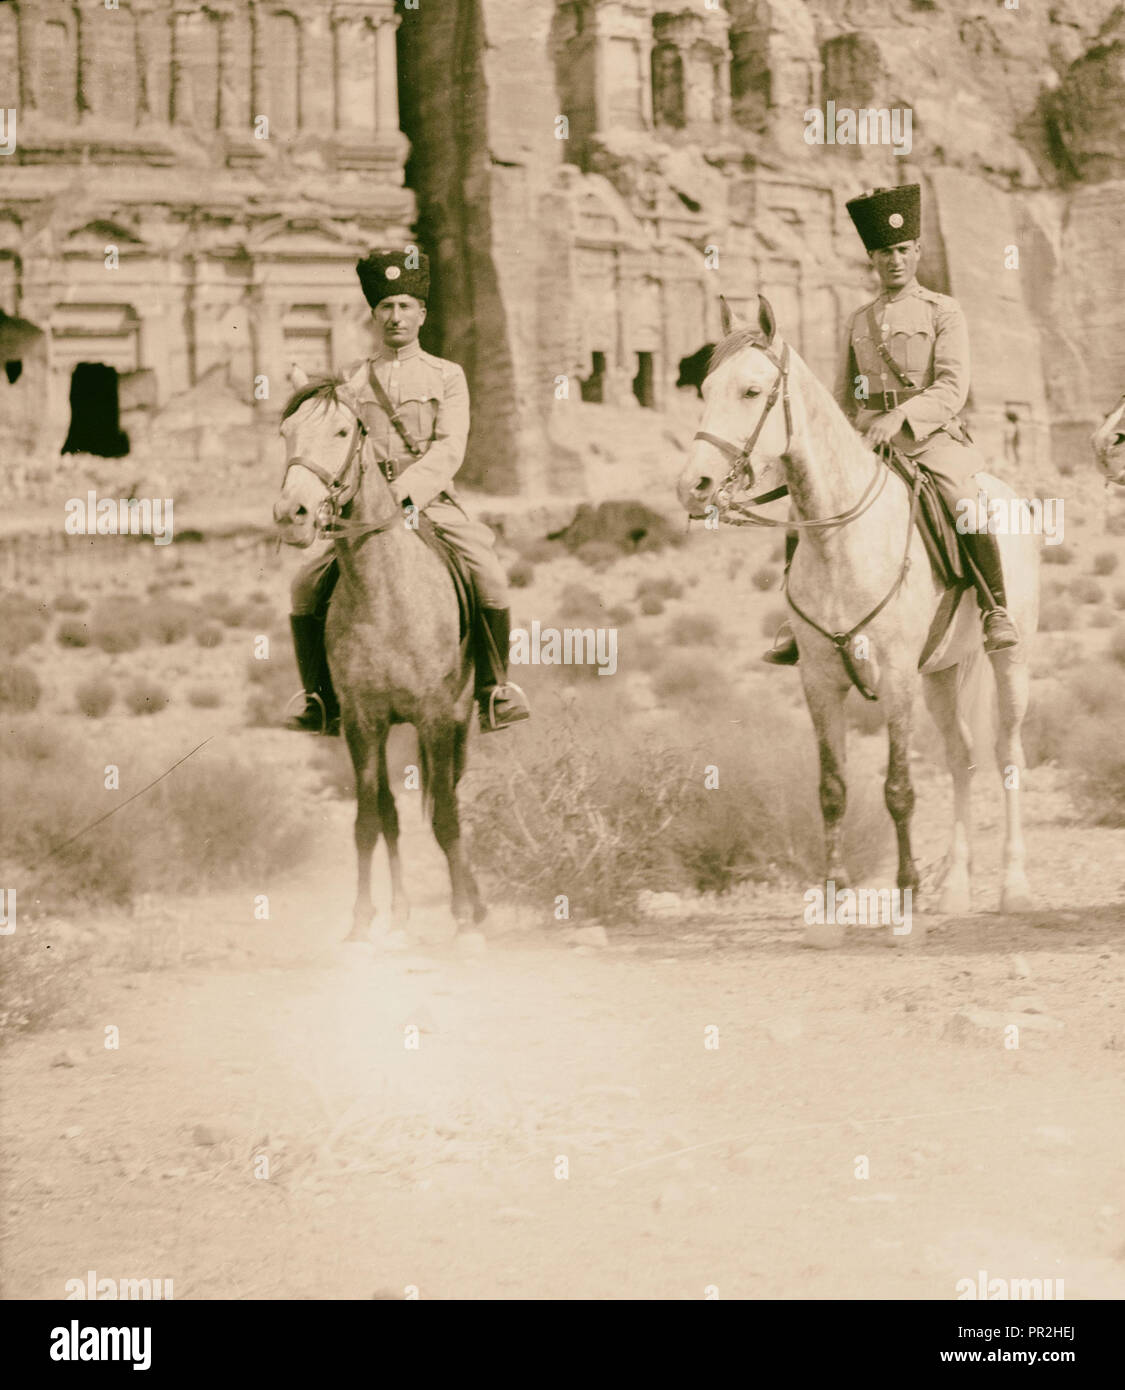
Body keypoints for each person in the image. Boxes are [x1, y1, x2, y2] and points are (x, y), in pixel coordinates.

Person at [763, 183, 1020, 665]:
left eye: (903, 250)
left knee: (961, 503)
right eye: (884, 252)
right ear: (872, 257)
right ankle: (798, 621)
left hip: (930, 442)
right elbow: (843, 394)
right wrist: (841, 439)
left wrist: (900, 415)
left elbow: (951, 387)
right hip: (869, 446)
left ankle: (995, 609)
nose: (895, 261)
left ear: (917, 250)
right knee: (804, 509)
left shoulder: (944, 311)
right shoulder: (859, 320)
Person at [287, 248, 531, 733]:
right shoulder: (353, 381)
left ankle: (493, 689)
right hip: (362, 514)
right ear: (373, 314)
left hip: (431, 505)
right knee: (303, 586)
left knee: (491, 575)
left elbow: (449, 448)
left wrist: (404, 493)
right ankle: (318, 698)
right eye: (385, 307)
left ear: (422, 314)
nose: (395, 316)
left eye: (404, 306)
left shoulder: (447, 375)